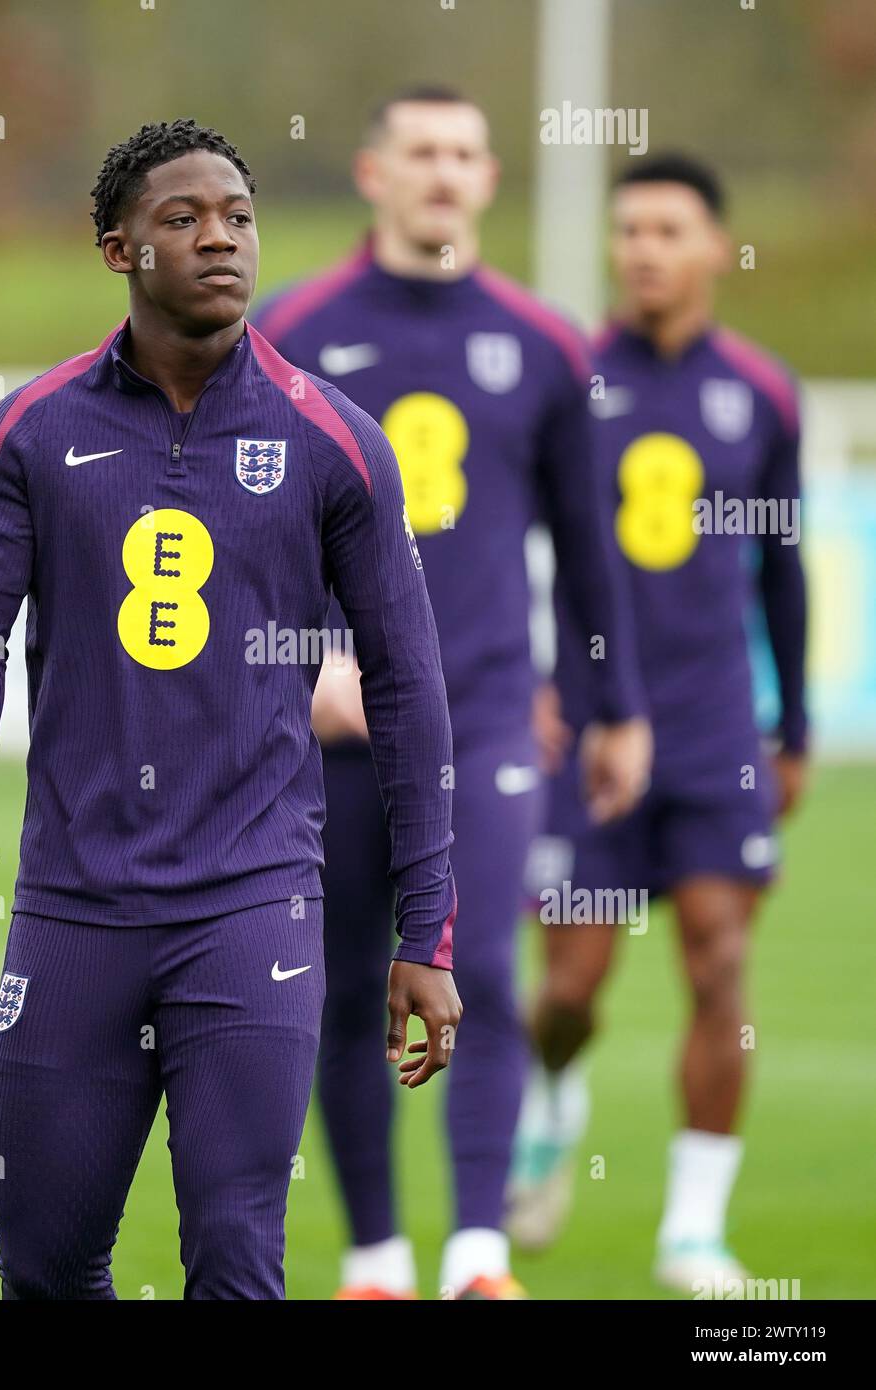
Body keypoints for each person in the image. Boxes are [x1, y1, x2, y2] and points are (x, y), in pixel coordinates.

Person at [0, 117, 461, 1301]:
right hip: (70, 912)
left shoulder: (335, 443)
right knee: (48, 1272)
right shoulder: (35, 425)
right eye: (183, 219)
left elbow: (408, 687)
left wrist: (427, 930)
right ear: (118, 250)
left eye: (238, 218)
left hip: (253, 904)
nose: (220, 239)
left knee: (232, 1257)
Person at [255, 88, 650, 1300]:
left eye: (463, 155)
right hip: (329, 726)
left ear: (488, 179)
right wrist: (299, 661)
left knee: (469, 951)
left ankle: (477, 1253)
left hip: (481, 712)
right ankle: (375, 1259)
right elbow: (240, 533)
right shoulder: (291, 328)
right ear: (372, 172)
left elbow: (586, 546)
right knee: (345, 977)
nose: (440, 172)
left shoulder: (542, 342)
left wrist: (615, 706)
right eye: (418, 152)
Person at [512, 155, 809, 1295]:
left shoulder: (763, 393)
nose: (640, 248)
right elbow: (500, 540)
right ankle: (550, 1095)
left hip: (713, 736)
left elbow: (779, 571)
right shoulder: (564, 377)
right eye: (625, 228)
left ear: (708, 248)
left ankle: (692, 1231)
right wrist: (528, 687)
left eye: (664, 229)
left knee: (718, 961)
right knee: (570, 991)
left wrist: (789, 731)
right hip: (586, 735)